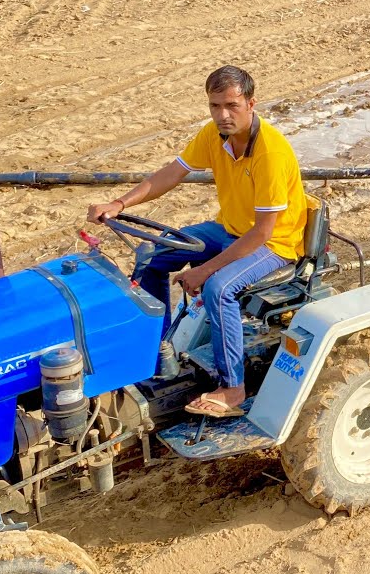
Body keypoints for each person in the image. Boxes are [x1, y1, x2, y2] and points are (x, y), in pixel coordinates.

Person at [87, 65, 308, 418]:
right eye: (215, 105)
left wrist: (204, 271)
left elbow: (262, 232)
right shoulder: (214, 136)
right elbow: (172, 173)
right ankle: (157, 349)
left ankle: (233, 387)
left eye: (232, 106)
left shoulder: (271, 153)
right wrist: (119, 204)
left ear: (251, 103)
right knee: (157, 255)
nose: (222, 115)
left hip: (274, 245)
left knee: (219, 289)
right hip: (230, 229)